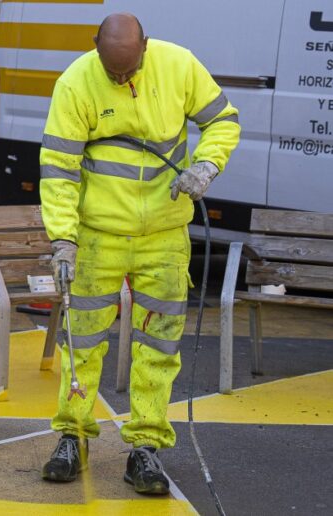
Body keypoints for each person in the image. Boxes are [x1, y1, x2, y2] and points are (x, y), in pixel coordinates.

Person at [38, 13, 239, 495]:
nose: (120, 79)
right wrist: (63, 239)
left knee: (160, 345)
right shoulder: (76, 82)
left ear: (145, 46)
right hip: (97, 236)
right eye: (113, 72)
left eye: (128, 70)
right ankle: (72, 436)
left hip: (164, 236)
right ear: (96, 48)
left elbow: (224, 122)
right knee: (80, 340)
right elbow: (59, 167)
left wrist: (207, 165)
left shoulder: (180, 66)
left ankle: (146, 447)